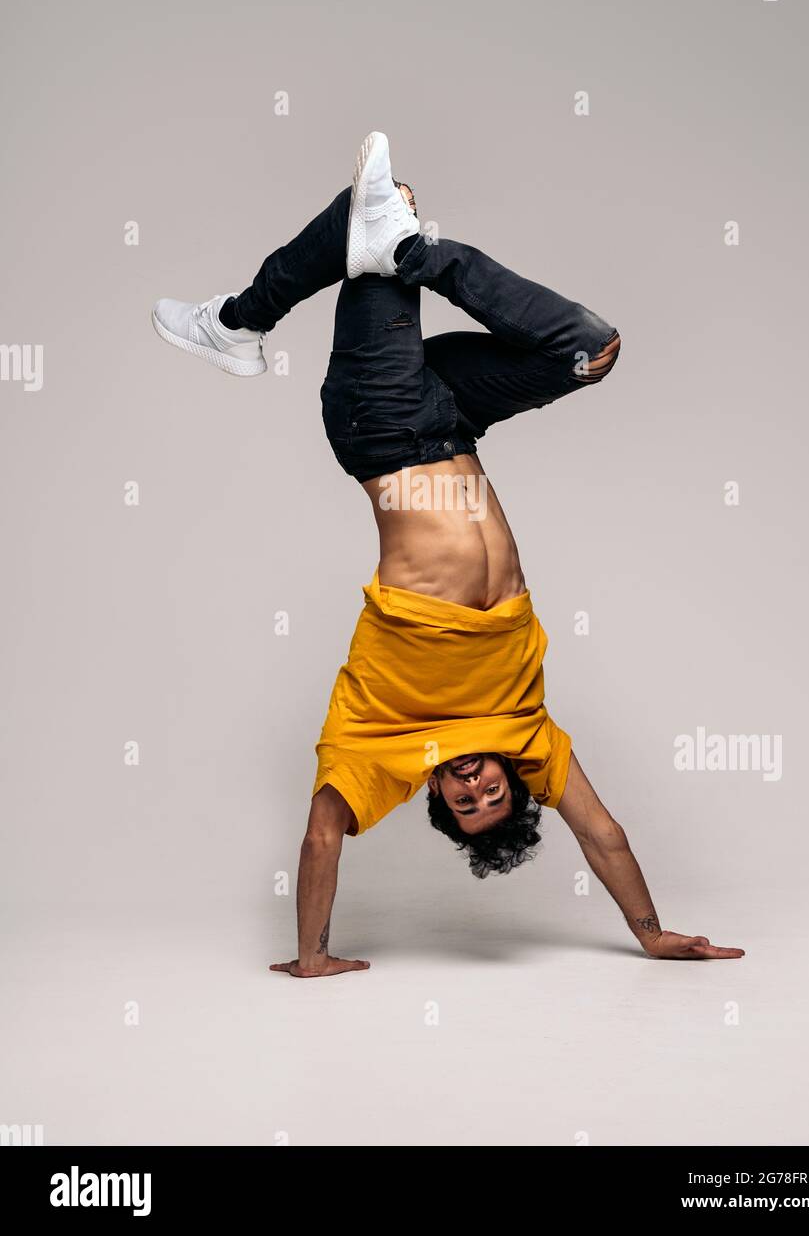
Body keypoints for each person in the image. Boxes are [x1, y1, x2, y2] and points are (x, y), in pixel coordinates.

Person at [153, 132, 745, 977]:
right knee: (590, 348)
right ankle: (355, 271)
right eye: (491, 794)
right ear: (512, 781)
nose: (474, 784)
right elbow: (603, 834)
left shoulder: (382, 747)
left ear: (435, 794)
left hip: (385, 429)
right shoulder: (531, 738)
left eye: (462, 800)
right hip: (452, 420)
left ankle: (238, 320)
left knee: (378, 203)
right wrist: (652, 932)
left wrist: (311, 955)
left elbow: (323, 837)